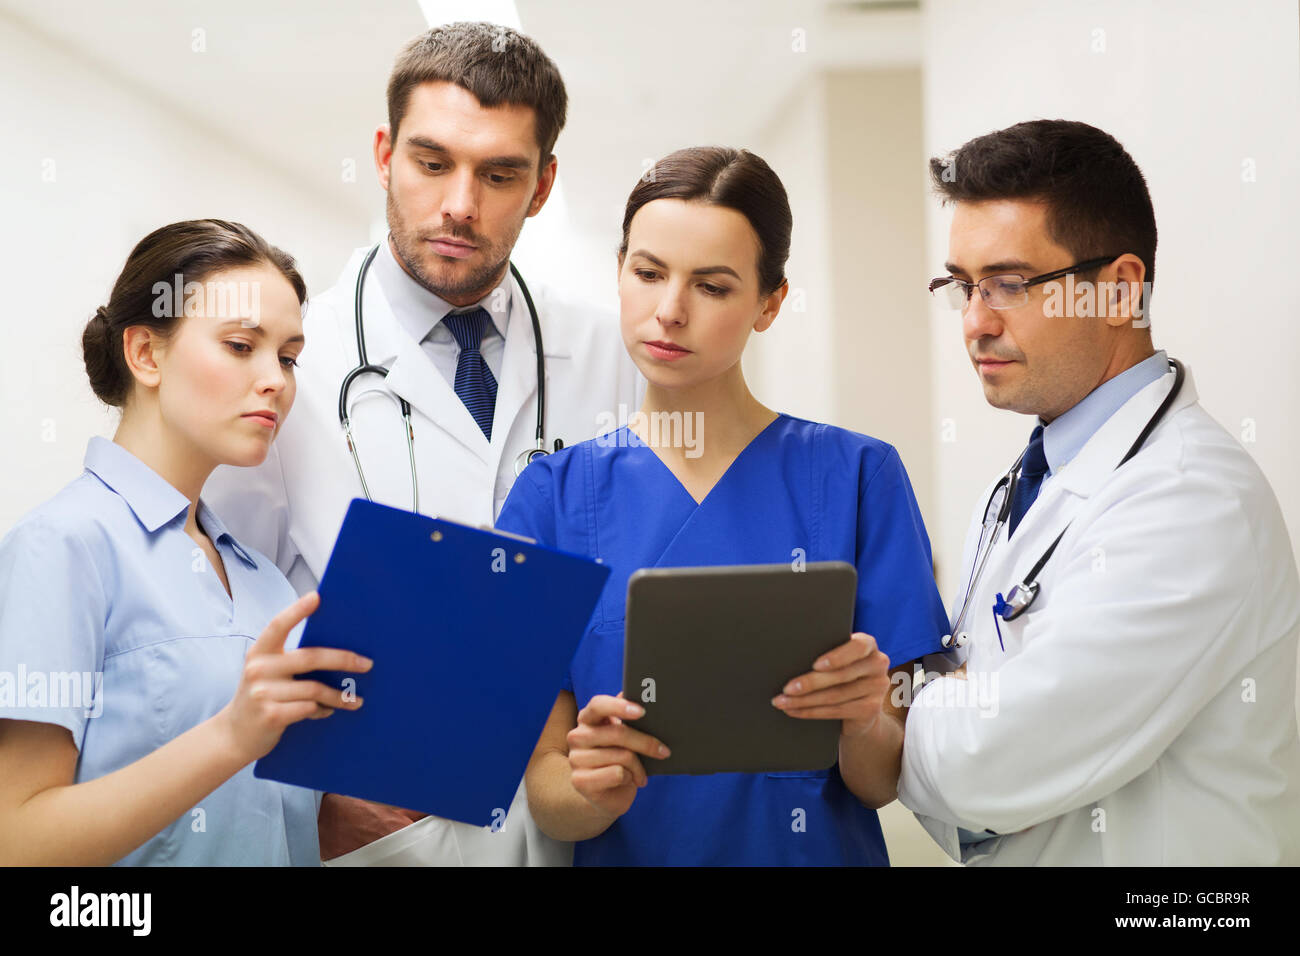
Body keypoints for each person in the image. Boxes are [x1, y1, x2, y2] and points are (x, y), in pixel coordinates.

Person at [202, 23, 641, 866]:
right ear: (384, 155)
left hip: (576, 817)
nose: (460, 205)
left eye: (500, 174)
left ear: (543, 185)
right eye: (432, 163)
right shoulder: (289, 364)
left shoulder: (609, 355)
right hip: (380, 824)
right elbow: (223, 623)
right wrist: (316, 796)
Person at [494, 146, 949, 865]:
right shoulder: (550, 500)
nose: (669, 312)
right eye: (648, 274)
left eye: (712, 287)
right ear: (620, 271)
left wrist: (865, 719)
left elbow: (879, 783)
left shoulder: (860, 478)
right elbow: (547, 789)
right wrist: (592, 787)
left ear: (770, 302)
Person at [899, 119, 1300, 865]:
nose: (975, 323)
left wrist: (880, 712)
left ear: (1118, 291)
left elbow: (992, 759)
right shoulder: (1031, 480)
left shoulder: (1191, 499)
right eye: (963, 286)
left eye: (1010, 284)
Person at [0, 219, 373, 865]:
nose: (276, 380)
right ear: (146, 353)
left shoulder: (264, 582)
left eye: (288, 357)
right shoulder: (61, 548)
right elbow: (16, 840)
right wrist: (232, 735)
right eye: (240, 345)